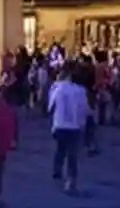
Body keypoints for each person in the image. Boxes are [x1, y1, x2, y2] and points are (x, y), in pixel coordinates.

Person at [48, 65, 89, 195]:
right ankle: (71, 180)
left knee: (60, 148)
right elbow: (84, 109)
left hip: (60, 124)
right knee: (73, 154)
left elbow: (51, 107)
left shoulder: (57, 88)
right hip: (75, 125)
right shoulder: (81, 91)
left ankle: (57, 170)